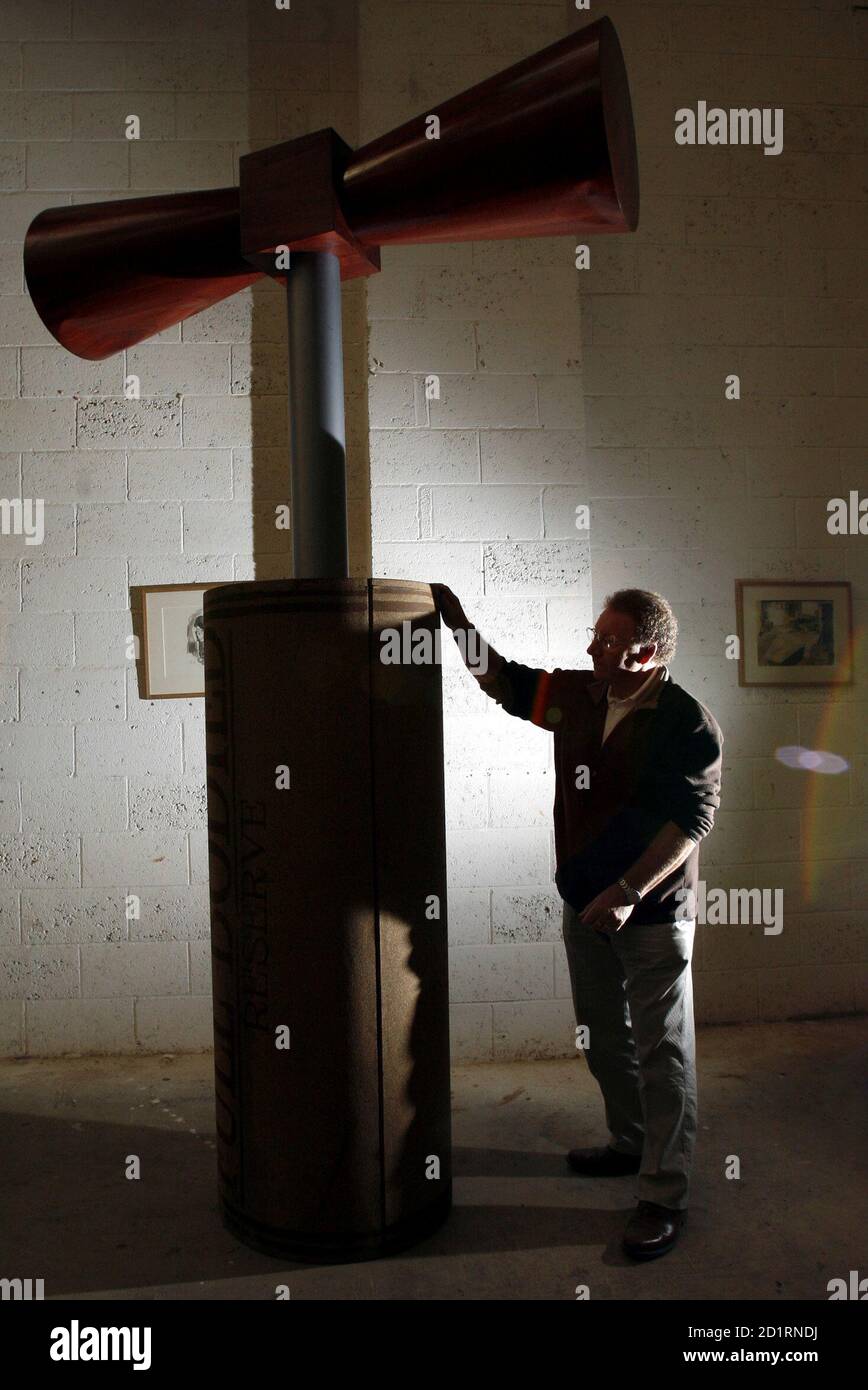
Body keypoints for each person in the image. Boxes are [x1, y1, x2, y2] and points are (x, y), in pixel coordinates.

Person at [432, 583, 723, 1261]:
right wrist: (457, 621)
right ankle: (629, 1143)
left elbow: (691, 820)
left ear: (647, 652)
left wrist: (626, 890)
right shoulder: (580, 694)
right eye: (596, 635)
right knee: (602, 1037)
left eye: (609, 640)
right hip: (585, 902)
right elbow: (503, 681)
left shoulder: (686, 721)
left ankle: (663, 1193)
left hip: (650, 911)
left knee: (664, 1052)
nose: (592, 647)